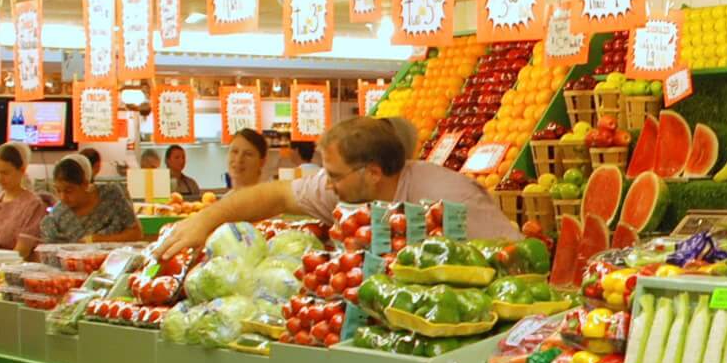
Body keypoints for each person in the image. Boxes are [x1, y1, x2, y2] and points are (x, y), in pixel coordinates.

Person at [155, 115, 519, 255]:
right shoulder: (344, 189)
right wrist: (205, 221)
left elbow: (515, 258)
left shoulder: (451, 200)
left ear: (372, 173)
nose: (327, 186)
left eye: (335, 175)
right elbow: (274, 195)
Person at [21, 153, 143, 256]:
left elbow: (136, 233)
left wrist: (97, 240)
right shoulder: (57, 218)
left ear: (85, 184)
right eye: (58, 191)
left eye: (69, 191)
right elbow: (52, 255)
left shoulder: (111, 195)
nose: (63, 197)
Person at [0, 143, 48, 252]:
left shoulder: (33, 206)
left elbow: (22, 251)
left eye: (5, 173)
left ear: (22, 170)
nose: (0, 178)